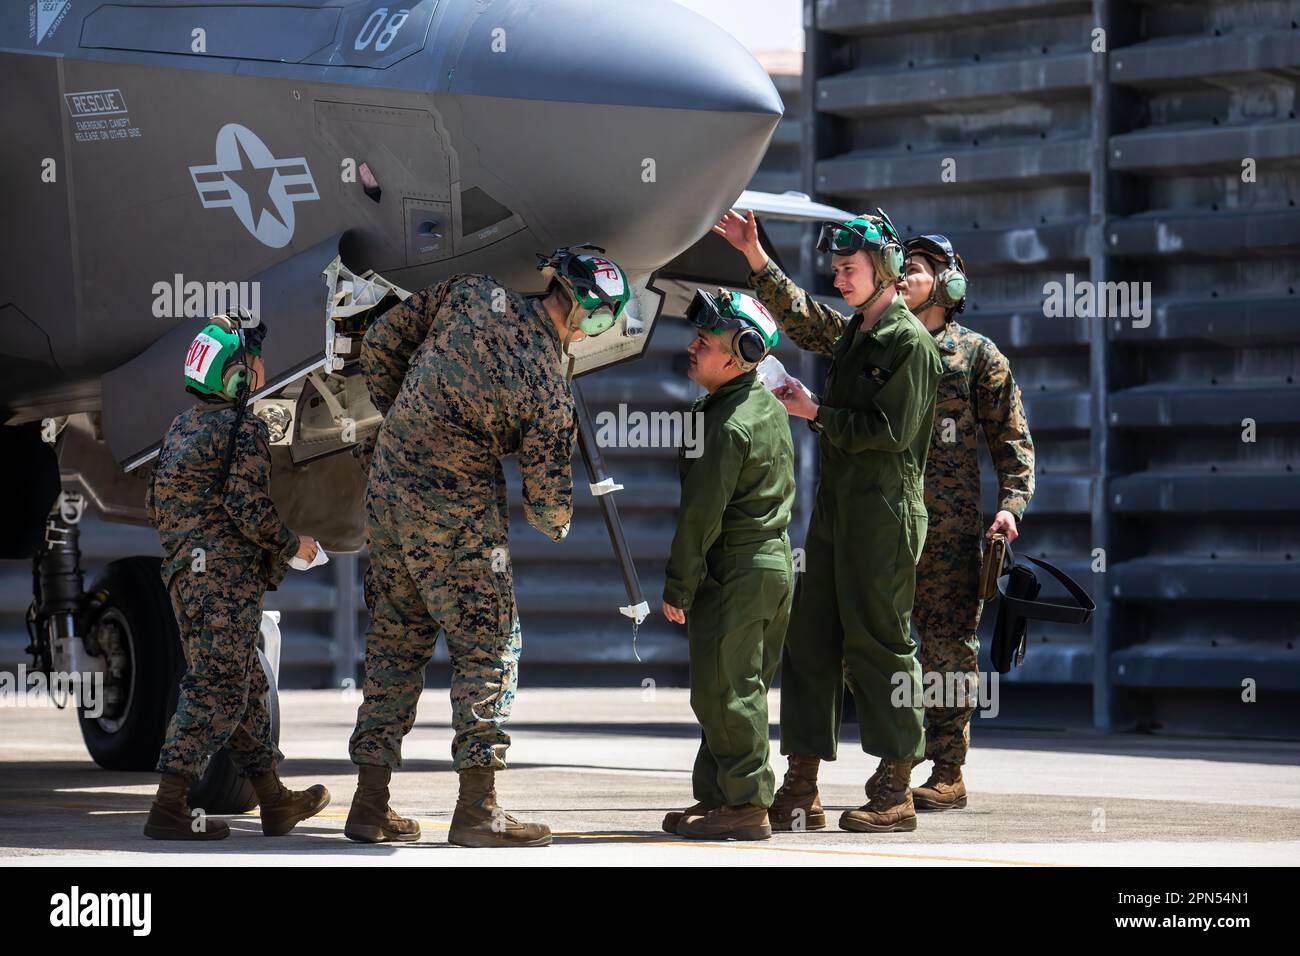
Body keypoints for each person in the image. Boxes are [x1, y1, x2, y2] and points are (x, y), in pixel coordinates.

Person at [344, 247, 630, 848]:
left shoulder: (471, 292)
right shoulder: (549, 386)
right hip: (456, 512)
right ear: (585, 316)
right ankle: (478, 809)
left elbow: (378, 345)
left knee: (396, 638)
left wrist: (413, 418)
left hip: (388, 484)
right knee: (491, 645)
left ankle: (370, 803)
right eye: (605, 320)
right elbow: (547, 510)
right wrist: (560, 520)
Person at [713, 208, 941, 833]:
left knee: (881, 645)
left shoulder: (909, 344)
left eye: (849, 268)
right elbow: (802, 318)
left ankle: (895, 787)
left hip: (884, 515)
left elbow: (891, 434)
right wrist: (754, 254)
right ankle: (802, 784)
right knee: (809, 643)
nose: (838, 278)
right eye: (836, 269)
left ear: (885, 270)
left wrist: (815, 413)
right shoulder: (856, 335)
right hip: (838, 510)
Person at [144, 314, 328, 841]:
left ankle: (274, 801)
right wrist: (295, 546)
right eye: (253, 364)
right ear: (233, 376)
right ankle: (169, 805)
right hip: (222, 583)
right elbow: (248, 507)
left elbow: (157, 503)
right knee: (216, 689)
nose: (262, 370)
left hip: (187, 578)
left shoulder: (182, 427)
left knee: (243, 685)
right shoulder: (241, 429)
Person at [898, 234, 1034, 810]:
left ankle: (948, 771)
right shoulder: (885, 348)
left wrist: (1011, 505)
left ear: (948, 285)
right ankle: (895, 757)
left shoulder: (979, 355)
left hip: (951, 536)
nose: (902, 278)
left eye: (915, 271)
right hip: (886, 525)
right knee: (876, 646)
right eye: (898, 269)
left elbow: (1013, 441)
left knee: (949, 649)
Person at [660, 289, 794, 842]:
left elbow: (701, 514)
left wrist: (678, 585)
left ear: (738, 355)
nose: (691, 347)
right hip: (770, 568)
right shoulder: (763, 406)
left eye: (705, 342)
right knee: (733, 686)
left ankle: (746, 804)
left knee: (726, 691)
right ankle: (718, 796)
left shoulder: (726, 423)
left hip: (735, 571)